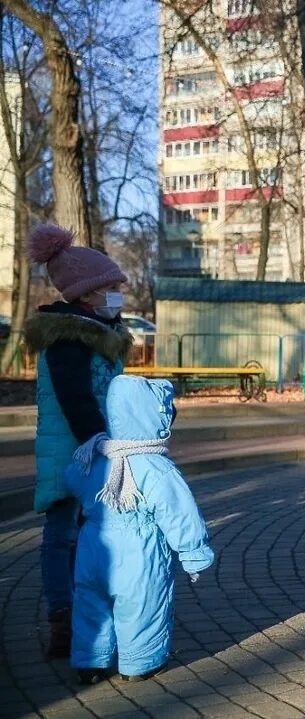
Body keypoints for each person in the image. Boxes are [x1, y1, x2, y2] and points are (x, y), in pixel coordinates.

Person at [23, 223, 131, 659]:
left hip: (94, 452)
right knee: (63, 534)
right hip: (73, 454)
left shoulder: (100, 335)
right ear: (88, 294)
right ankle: (63, 619)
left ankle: (89, 612)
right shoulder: (69, 337)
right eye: (113, 288)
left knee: (90, 535)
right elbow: (76, 399)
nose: (119, 294)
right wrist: (100, 441)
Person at [65, 375, 214, 683]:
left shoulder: (97, 453)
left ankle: (90, 662)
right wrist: (193, 553)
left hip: (94, 546)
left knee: (92, 605)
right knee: (143, 605)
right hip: (140, 551)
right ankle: (140, 662)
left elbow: (72, 478)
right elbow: (178, 511)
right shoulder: (155, 465)